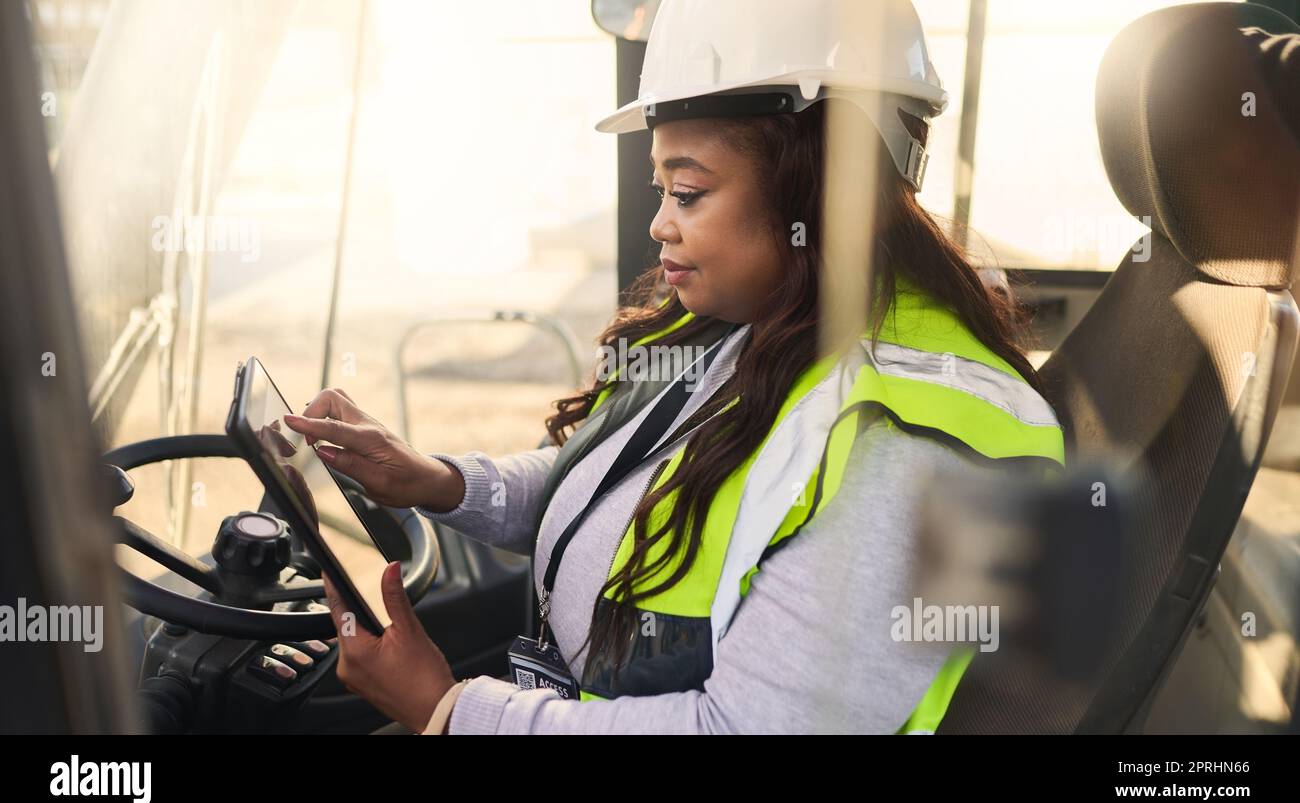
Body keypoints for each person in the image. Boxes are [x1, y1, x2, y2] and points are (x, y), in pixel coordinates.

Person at [284, 0, 1064, 734]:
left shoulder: (906, 452)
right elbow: (618, 494)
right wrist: (443, 482)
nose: (659, 222)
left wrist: (449, 710)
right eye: (660, 189)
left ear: (824, 188)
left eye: (689, 192)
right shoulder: (763, 318)